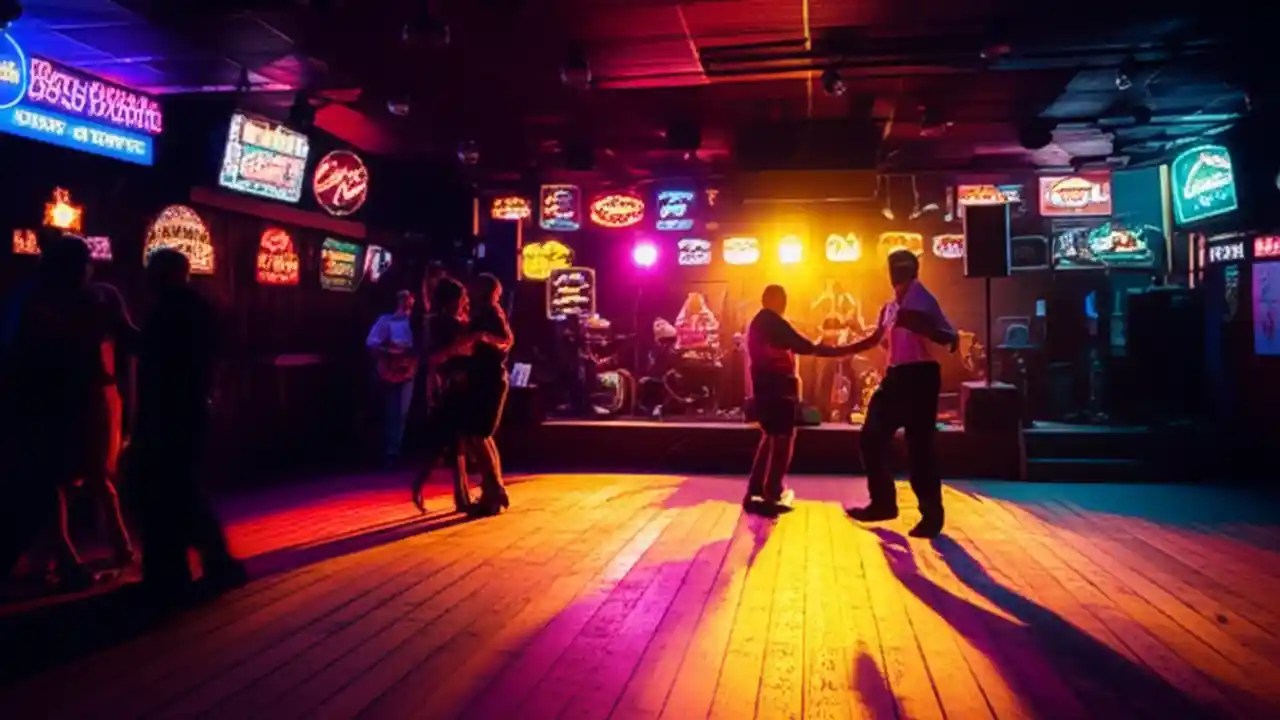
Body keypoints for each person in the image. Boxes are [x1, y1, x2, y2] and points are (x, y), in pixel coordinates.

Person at [132, 249, 244, 602]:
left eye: (153, 271)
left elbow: (156, 358)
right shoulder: (197, 308)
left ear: (165, 274)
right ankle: (189, 567)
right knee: (179, 487)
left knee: (173, 489)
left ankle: (189, 567)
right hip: (189, 410)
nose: (148, 277)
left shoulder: (169, 312)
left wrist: (119, 324)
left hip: (170, 412)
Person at [846, 250, 958, 538]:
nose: (897, 272)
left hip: (921, 376)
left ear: (915, 270)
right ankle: (883, 503)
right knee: (871, 436)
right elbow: (875, 339)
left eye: (904, 267)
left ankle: (932, 516)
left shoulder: (923, 300)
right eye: (894, 267)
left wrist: (923, 326)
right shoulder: (890, 307)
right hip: (896, 375)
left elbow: (950, 338)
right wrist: (829, 350)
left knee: (919, 446)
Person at [745, 285, 861, 515]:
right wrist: (840, 350)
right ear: (777, 301)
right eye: (783, 299)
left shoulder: (761, 322)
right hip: (777, 387)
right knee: (783, 439)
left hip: (767, 386)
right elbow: (804, 346)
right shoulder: (771, 320)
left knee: (770, 437)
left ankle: (755, 490)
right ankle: (773, 493)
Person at [412, 277, 478, 514]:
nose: (464, 302)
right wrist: (462, 345)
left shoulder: (439, 322)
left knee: (453, 443)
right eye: (461, 298)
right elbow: (435, 357)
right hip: (448, 387)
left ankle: (460, 495)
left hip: (448, 385)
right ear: (452, 300)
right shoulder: (443, 323)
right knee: (446, 443)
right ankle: (428, 488)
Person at [461, 274, 513, 516]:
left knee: (478, 435)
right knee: (480, 436)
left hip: (489, 378)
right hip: (483, 377)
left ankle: (493, 492)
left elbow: (505, 339)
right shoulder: (484, 312)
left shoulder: (490, 312)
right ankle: (494, 490)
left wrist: (479, 336)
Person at [367, 290, 418, 465]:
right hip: (388, 371)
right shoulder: (386, 320)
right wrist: (389, 353)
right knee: (390, 410)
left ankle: (395, 450)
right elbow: (372, 343)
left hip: (407, 371)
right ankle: (388, 451)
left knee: (401, 411)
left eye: (410, 301)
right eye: (403, 300)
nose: (407, 304)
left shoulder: (414, 322)